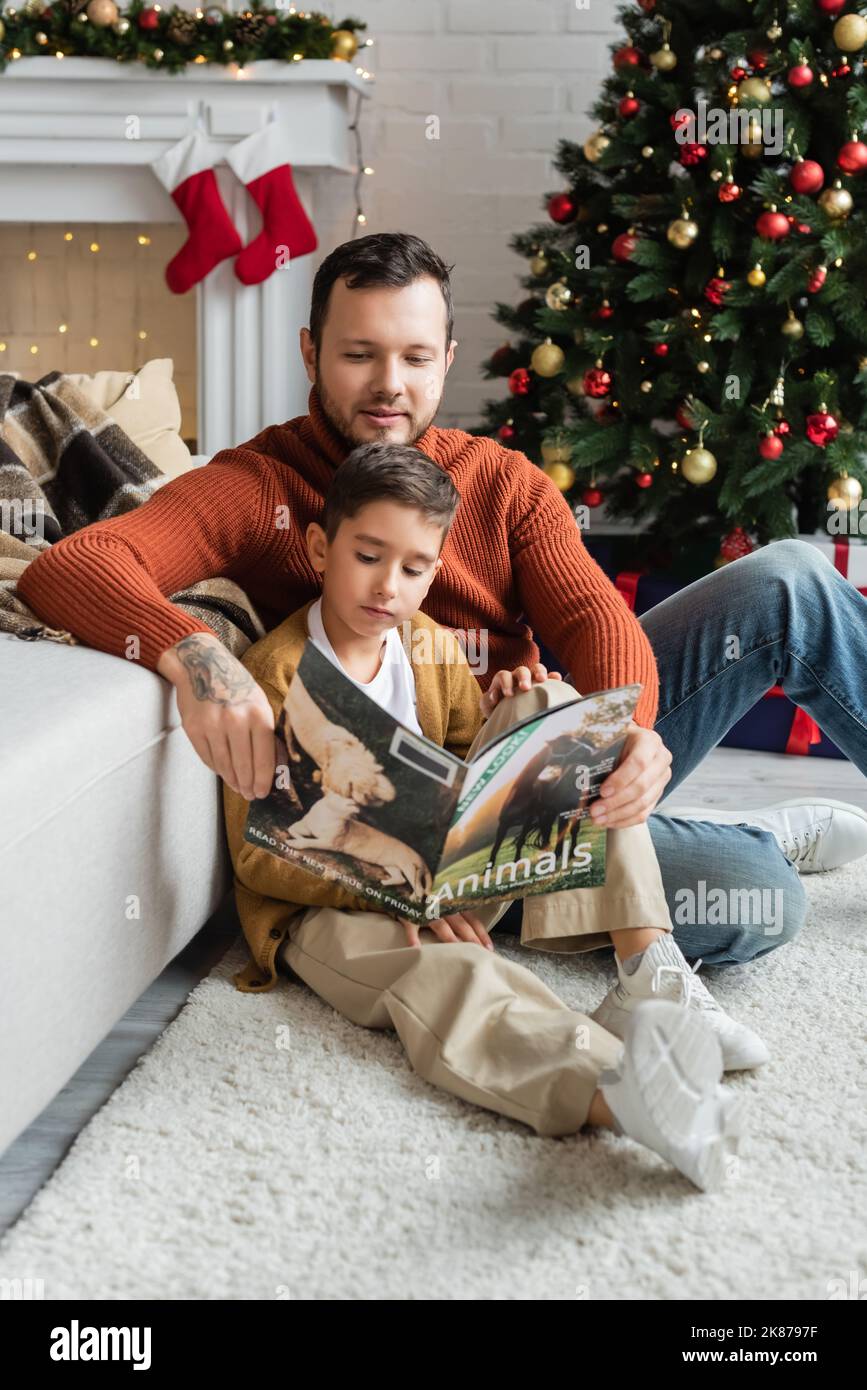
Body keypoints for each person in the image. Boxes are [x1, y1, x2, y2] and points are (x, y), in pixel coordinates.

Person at [15, 230, 867, 969]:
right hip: (420, 821)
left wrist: (631, 729)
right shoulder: (257, 484)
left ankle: (649, 816)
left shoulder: (502, 481)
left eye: (415, 358)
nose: (390, 385)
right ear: (310, 354)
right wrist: (195, 653)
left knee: (789, 579)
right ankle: (753, 838)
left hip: (539, 755)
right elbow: (71, 568)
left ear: (446, 360)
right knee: (757, 895)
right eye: (359, 355)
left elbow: (592, 620)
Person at [221, 440, 748, 1191]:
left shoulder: (429, 645)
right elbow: (256, 854)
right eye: (367, 556)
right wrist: (397, 886)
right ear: (318, 546)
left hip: (453, 873)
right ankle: (620, 1089)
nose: (387, 587)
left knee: (554, 705)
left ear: (434, 571)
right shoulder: (274, 677)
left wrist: (514, 716)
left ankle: (647, 973)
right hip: (330, 904)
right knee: (448, 972)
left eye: (413, 568)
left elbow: (466, 767)